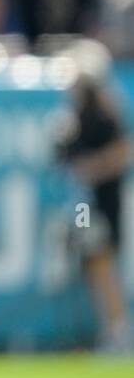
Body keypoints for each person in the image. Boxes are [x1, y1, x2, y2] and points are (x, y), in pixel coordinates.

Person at [55, 40, 131, 354]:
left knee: (104, 267)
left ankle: (119, 334)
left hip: (102, 200)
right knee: (90, 269)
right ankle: (107, 332)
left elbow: (123, 153)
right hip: (84, 203)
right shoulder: (76, 114)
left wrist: (91, 168)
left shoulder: (104, 113)